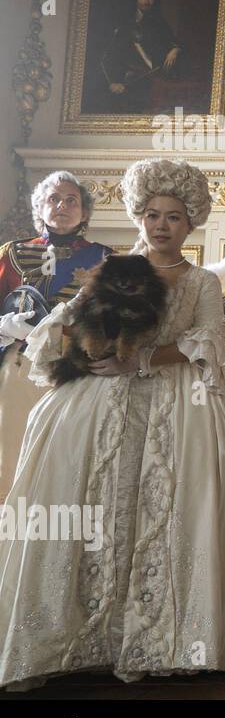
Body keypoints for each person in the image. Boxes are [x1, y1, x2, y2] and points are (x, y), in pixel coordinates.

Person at [0, 158, 225, 689]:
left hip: (179, 398)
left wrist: (145, 360)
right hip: (102, 393)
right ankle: (84, 634)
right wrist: (85, 348)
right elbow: (69, 321)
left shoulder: (201, 280)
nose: (162, 225)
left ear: (190, 222)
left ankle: (164, 632)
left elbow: (204, 340)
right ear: (139, 217)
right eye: (153, 214)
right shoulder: (111, 269)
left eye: (174, 217)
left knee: (175, 498)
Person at [0, 171, 112, 499]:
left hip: (75, 373)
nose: (62, 205)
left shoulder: (106, 259)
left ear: (85, 212)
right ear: (40, 208)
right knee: (11, 452)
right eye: (53, 199)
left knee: (65, 461)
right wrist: (4, 326)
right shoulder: (10, 254)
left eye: (71, 199)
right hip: (18, 372)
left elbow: (114, 321)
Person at [97, 0, 181, 114]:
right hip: (129, 80)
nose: (146, 1)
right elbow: (110, 56)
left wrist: (175, 49)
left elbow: (172, 40)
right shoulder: (125, 23)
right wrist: (113, 82)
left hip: (152, 76)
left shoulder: (159, 21)